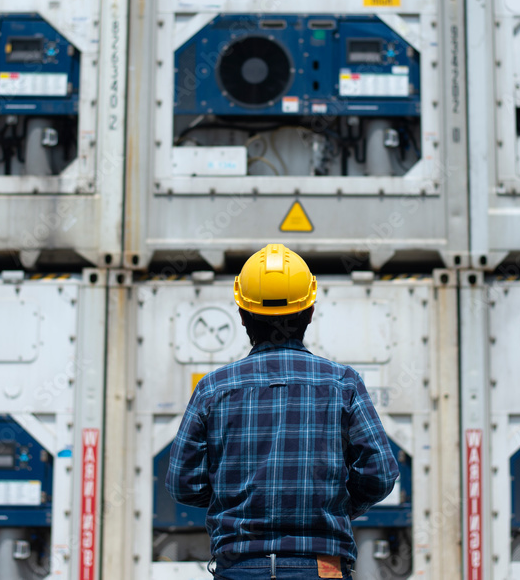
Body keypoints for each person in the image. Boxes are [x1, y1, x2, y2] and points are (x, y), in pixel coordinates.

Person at [166, 243, 399, 579]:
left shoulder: (213, 389)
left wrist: (237, 501)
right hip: (320, 567)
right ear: (310, 312)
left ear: (242, 314)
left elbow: (182, 483)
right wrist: (337, 507)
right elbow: (380, 475)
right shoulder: (342, 384)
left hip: (240, 568)